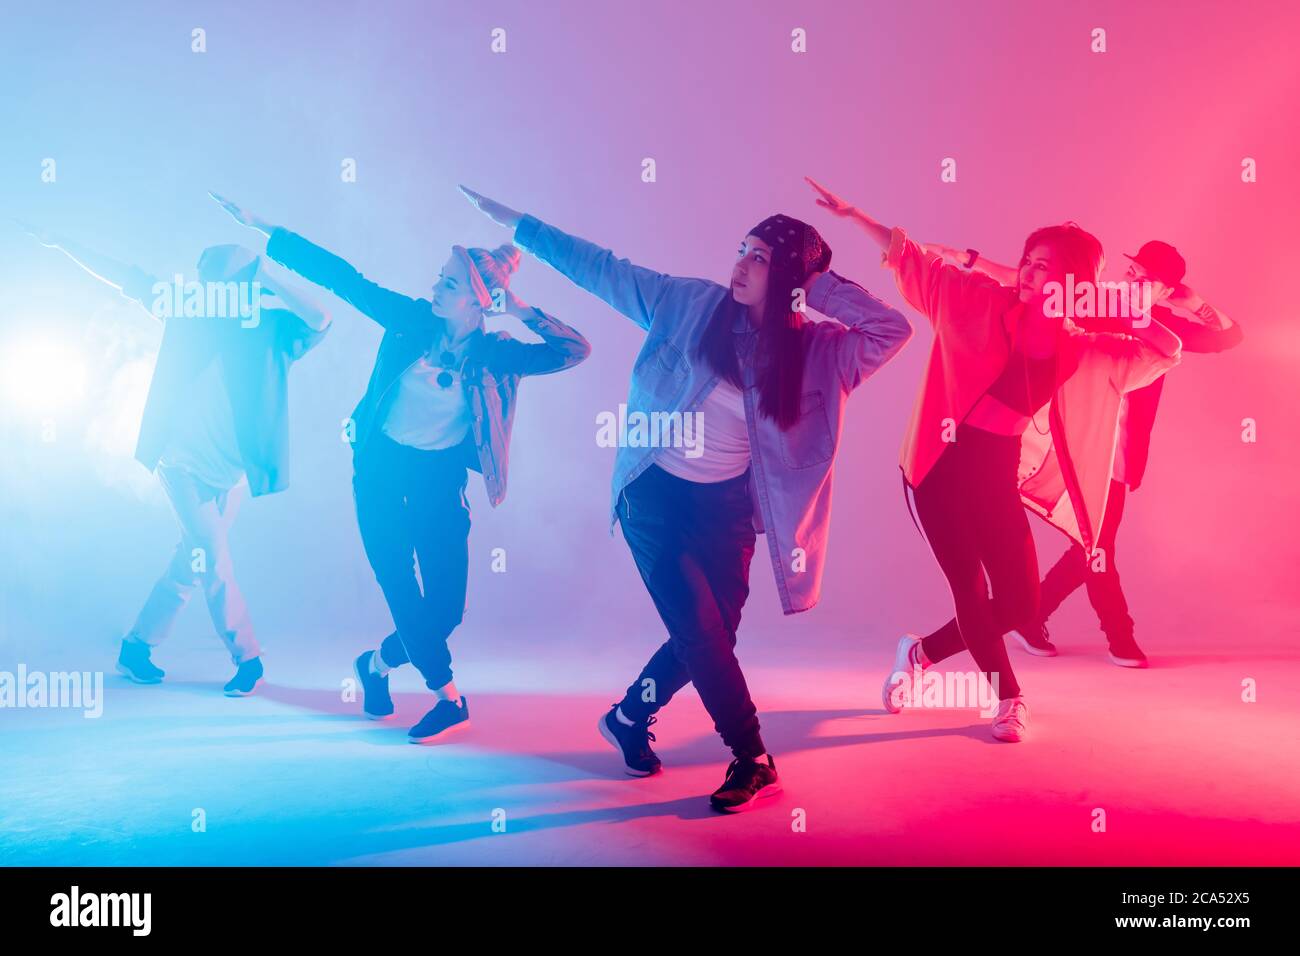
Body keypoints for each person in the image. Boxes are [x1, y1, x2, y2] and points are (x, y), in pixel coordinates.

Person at [461, 184, 913, 810]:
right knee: (702, 632)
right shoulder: (689, 304)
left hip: (727, 508)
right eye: (741, 250)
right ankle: (751, 756)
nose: (741, 264)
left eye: (760, 258)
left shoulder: (818, 354)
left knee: (710, 633)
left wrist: (817, 282)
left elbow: (893, 328)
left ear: (788, 279)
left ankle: (626, 717)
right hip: (654, 494)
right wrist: (523, 227)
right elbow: (603, 271)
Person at [805, 178, 1182, 741]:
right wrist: (858, 215)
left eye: (1047, 269)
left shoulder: (1079, 343)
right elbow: (915, 260)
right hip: (939, 469)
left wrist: (1121, 307)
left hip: (997, 477)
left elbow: (1162, 352)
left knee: (1020, 604)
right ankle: (1010, 700)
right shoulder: (975, 297)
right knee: (972, 591)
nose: (1031, 275)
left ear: (1074, 283)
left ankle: (920, 653)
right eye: (1029, 263)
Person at [211, 192, 591, 743]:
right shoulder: (412, 321)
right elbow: (347, 280)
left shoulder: (496, 353)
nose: (435, 288)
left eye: (450, 284)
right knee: (400, 585)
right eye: (440, 277)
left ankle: (377, 665)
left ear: (479, 303)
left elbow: (573, 350)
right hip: (381, 472)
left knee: (446, 611)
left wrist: (523, 309)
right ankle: (448, 697)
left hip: (440, 482)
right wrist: (267, 229)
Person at [21, 222, 332, 696]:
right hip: (180, 465)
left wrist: (266, 275)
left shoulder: (268, 328)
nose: (209, 293)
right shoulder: (186, 314)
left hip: (230, 475)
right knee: (213, 561)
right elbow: (126, 278)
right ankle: (248, 657)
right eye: (205, 283)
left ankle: (136, 647)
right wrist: (64, 242)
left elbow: (322, 319)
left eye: (221, 285)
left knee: (191, 561)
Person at [921, 239, 1242, 666]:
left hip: (1119, 457)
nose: (1131, 282)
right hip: (1067, 443)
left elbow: (1228, 337)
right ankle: (1118, 636)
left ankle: (1029, 617)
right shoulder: (1095, 303)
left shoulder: (1162, 323)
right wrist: (969, 260)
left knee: (1090, 546)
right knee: (1097, 547)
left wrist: (1193, 301)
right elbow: (1026, 283)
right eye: (1131, 272)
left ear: (1165, 292)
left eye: (1145, 280)